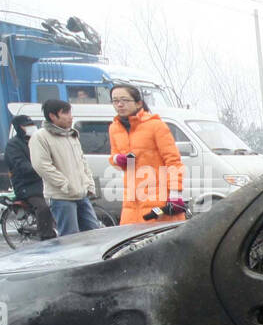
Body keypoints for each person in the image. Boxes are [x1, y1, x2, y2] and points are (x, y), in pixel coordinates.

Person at [107, 84, 186, 225]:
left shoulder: (156, 126)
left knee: (160, 242)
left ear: (138, 103)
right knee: (131, 241)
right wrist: (117, 159)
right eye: (115, 101)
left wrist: (175, 195)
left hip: (158, 195)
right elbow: (113, 156)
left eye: (124, 100)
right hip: (131, 199)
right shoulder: (114, 128)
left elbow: (173, 161)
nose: (119, 104)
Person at [28, 99, 101, 236]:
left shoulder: (71, 135)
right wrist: (65, 185)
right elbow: (42, 166)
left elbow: (82, 162)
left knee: (93, 233)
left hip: (81, 194)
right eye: (65, 113)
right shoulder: (40, 137)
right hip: (62, 197)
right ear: (52, 116)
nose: (70, 116)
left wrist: (89, 184)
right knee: (70, 237)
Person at [3, 114, 57, 240]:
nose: (31, 127)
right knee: (42, 207)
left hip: (42, 181)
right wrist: (41, 168)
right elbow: (21, 166)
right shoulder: (13, 145)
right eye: (27, 126)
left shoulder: (37, 140)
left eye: (32, 125)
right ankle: (46, 237)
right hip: (26, 185)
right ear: (19, 128)